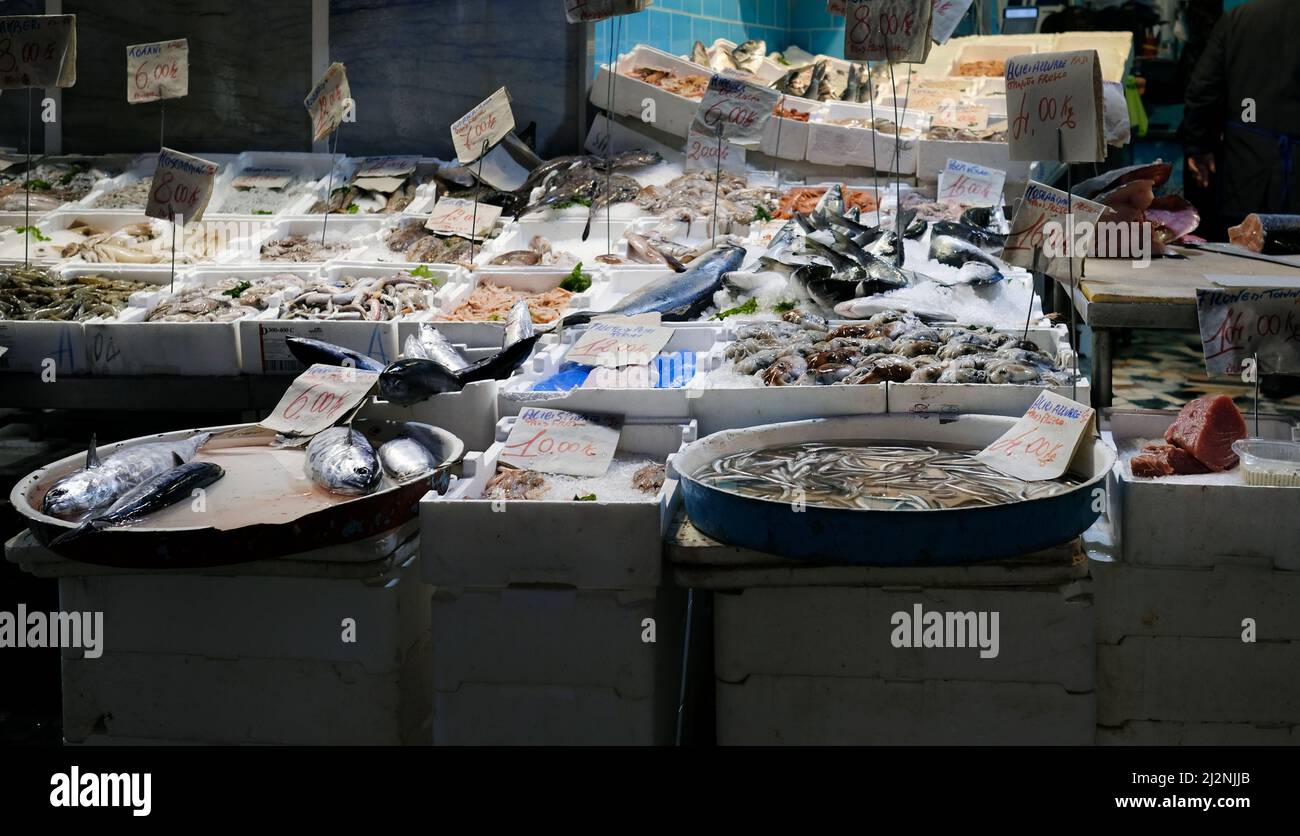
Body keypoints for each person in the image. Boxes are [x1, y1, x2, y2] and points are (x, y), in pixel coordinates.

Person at [1183, 0, 1300, 237]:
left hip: (1244, 175)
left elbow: (1203, 91)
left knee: (1240, 259)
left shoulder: (1237, 18)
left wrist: (1199, 147)